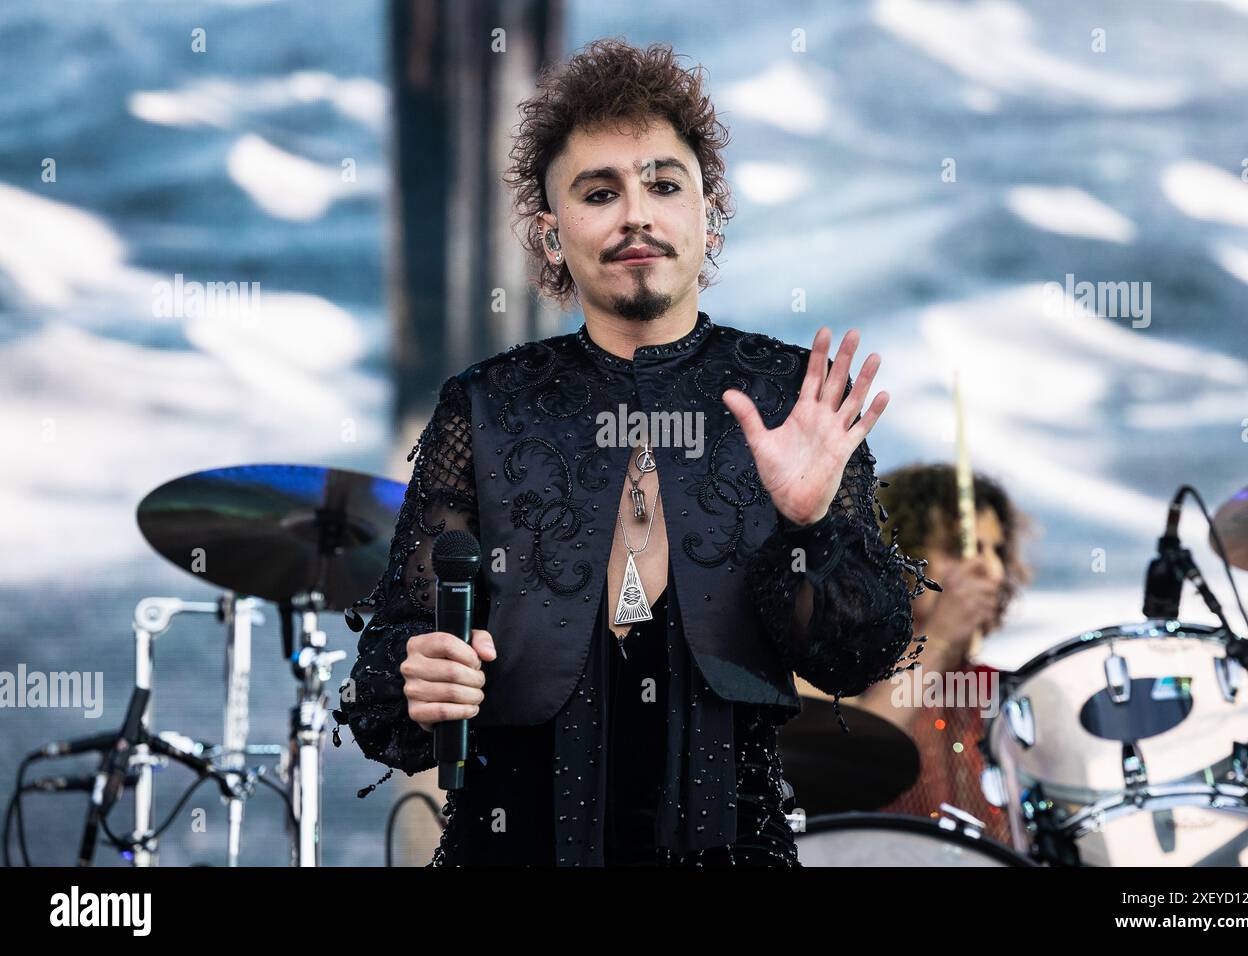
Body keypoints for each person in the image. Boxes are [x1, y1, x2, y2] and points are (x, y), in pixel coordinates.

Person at [333, 38, 933, 867]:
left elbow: (858, 657)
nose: (636, 214)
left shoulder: (792, 396)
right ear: (550, 234)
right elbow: (383, 688)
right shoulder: (487, 404)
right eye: (599, 192)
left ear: (708, 212)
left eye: (663, 184)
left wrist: (809, 527)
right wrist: (416, 676)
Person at [797, 463, 1029, 844]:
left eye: (996, 550)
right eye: (962, 548)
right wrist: (935, 641)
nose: (991, 570)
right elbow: (840, 765)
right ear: (897, 556)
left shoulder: (1001, 691)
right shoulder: (833, 669)